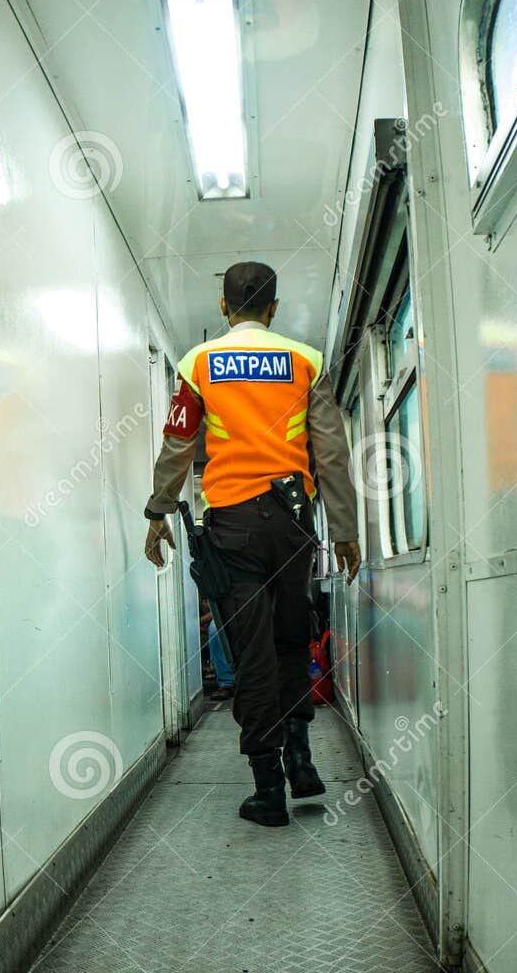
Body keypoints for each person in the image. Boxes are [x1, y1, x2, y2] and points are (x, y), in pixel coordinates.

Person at [144, 261, 361, 827]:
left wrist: (158, 511)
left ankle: (269, 789)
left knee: (252, 651)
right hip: (293, 522)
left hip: (232, 523)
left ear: (223, 307)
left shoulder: (198, 364)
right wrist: (345, 529)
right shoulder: (306, 361)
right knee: (292, 638)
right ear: (275, 307)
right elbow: (331, 454)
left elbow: (177, 443)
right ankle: (303, 762)